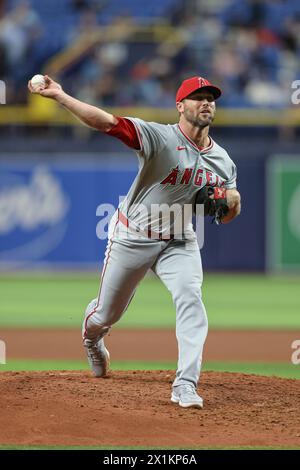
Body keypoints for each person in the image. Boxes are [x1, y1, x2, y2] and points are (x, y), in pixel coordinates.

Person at [28, 74, 241, 409]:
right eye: (198, 97)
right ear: (180, 106)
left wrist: (232, 204)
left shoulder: (224, 162)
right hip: (132, 236)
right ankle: (92, 338)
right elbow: (108, 123)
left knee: (190, 298)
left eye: (211, 98)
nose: (206, 103)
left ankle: (185, 384)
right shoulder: (159, 137)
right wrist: (62, 96)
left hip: (179, 239)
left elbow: (224, 215)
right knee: (105, 314)